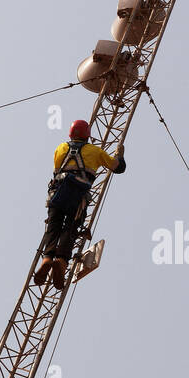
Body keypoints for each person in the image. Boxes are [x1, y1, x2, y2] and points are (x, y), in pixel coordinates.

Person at [33, 119, 126, 289]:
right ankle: (61, 261)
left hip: (57, 194)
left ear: (71, 134)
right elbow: (118, 167)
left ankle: (47, 259)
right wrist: (120, 154)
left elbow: (56, 169)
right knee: (71, 228)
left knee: (53, 227)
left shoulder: (60, 148)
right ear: (87, 136)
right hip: (77, 197)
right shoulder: (94, 151)